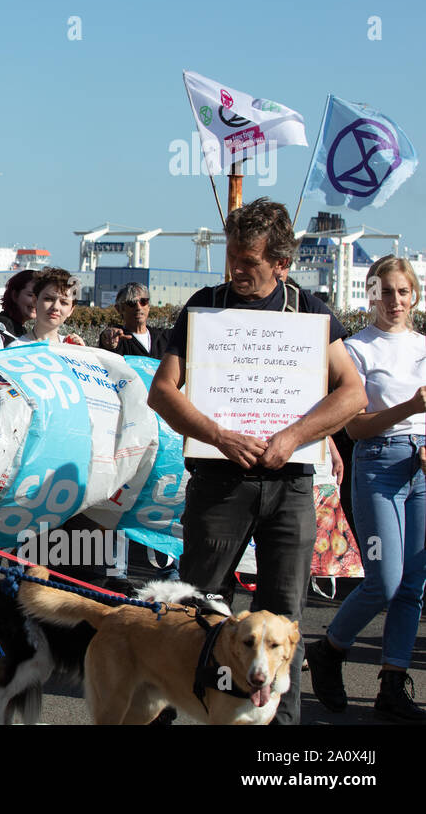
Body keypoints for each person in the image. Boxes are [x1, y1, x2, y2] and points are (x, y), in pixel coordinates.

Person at [147, 198, 367, 725]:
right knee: (199, 609)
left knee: (286, 614)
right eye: (232, 257)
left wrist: (293, 436)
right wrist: (220, 436)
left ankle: (280, 734)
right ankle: (185, 711)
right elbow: (162, 392)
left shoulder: (311, 311)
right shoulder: (204, 306)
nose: (236, 270)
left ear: (281, 264)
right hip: (219, 483)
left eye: (248, 261)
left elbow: (353, 394)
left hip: (290, 485)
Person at [307, 256, 426, 722]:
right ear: (371, 294)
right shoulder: (357, 349)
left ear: (414, 294)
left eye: (403, 291)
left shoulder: (424, 346)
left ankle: (392, 683)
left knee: (414, 584)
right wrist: (408, 408)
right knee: (385, 580)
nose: (394, 301)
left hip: (421, 466)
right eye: (385, 291)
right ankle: (331, 649)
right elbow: (353, 429)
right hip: (379, 463)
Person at [14, 267, 86, 346]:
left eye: (64, 302)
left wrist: (81, 352)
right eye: (48, 299)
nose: (55, 307)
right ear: (35, 301)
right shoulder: (16, 349)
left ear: (71, 310)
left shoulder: (71, 347)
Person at [99, 282, 169, 357]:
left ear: (149, 306)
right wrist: (107, 338)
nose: (138, 307)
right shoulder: (118, 339)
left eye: (143, 301)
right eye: (132, 303)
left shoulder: (164, 337)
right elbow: (107, 344)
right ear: (120, 309)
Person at [0, 269, 37, 352]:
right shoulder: (1, 326)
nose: (36, 301)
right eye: (30, 295)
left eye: (39, 296)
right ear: (15, 295)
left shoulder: (19, 328)